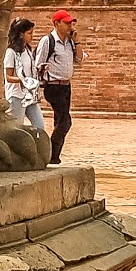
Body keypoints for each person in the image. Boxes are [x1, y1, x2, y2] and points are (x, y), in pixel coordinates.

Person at [36, 10, 80, 164]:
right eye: (66, 23)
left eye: (71, 23)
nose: (70, 26)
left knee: (60, 121)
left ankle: (55, 157)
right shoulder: (48, 41)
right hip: (53, 86)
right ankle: (49, 152)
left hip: (66, 86)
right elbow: (38, 63)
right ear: (56, 24)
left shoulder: (70, 42)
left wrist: (77, 42)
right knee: (65, 121)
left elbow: (80, 59)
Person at [2, 18, 45, 135]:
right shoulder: (11, 52)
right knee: (15, 128)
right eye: (29, 33)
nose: (32, 36)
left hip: (29, 94)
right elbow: (8, 77)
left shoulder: (28, 50)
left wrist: (40, 71)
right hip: (17, 95)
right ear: (21, 34)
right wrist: (24, 81)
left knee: (39, 126)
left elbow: (29, 71)